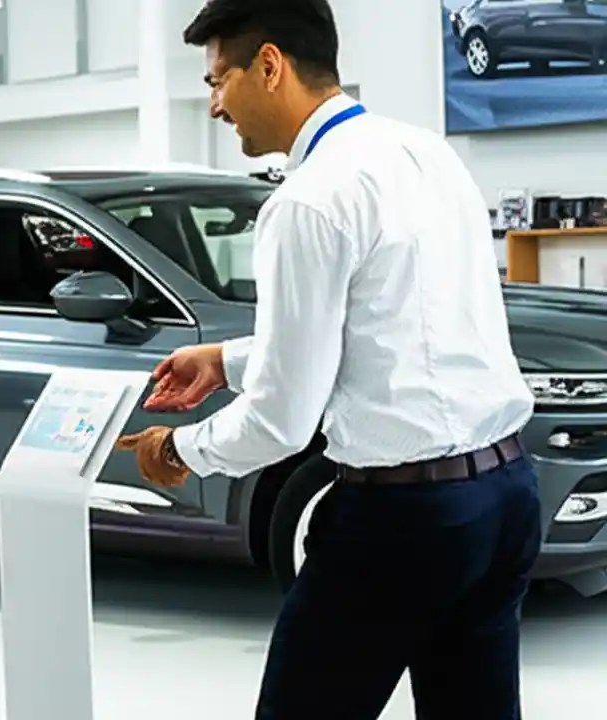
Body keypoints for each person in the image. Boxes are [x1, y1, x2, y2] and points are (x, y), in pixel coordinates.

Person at [116, 1, 540, 718]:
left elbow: (283, 420)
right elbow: (400, 329)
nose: (215, 105)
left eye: (219, 80)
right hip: (504, 497)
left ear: (271, 66)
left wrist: (180, 449)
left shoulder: (308, 201)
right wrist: (227, 358)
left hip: (402, 520)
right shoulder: (426, 152)